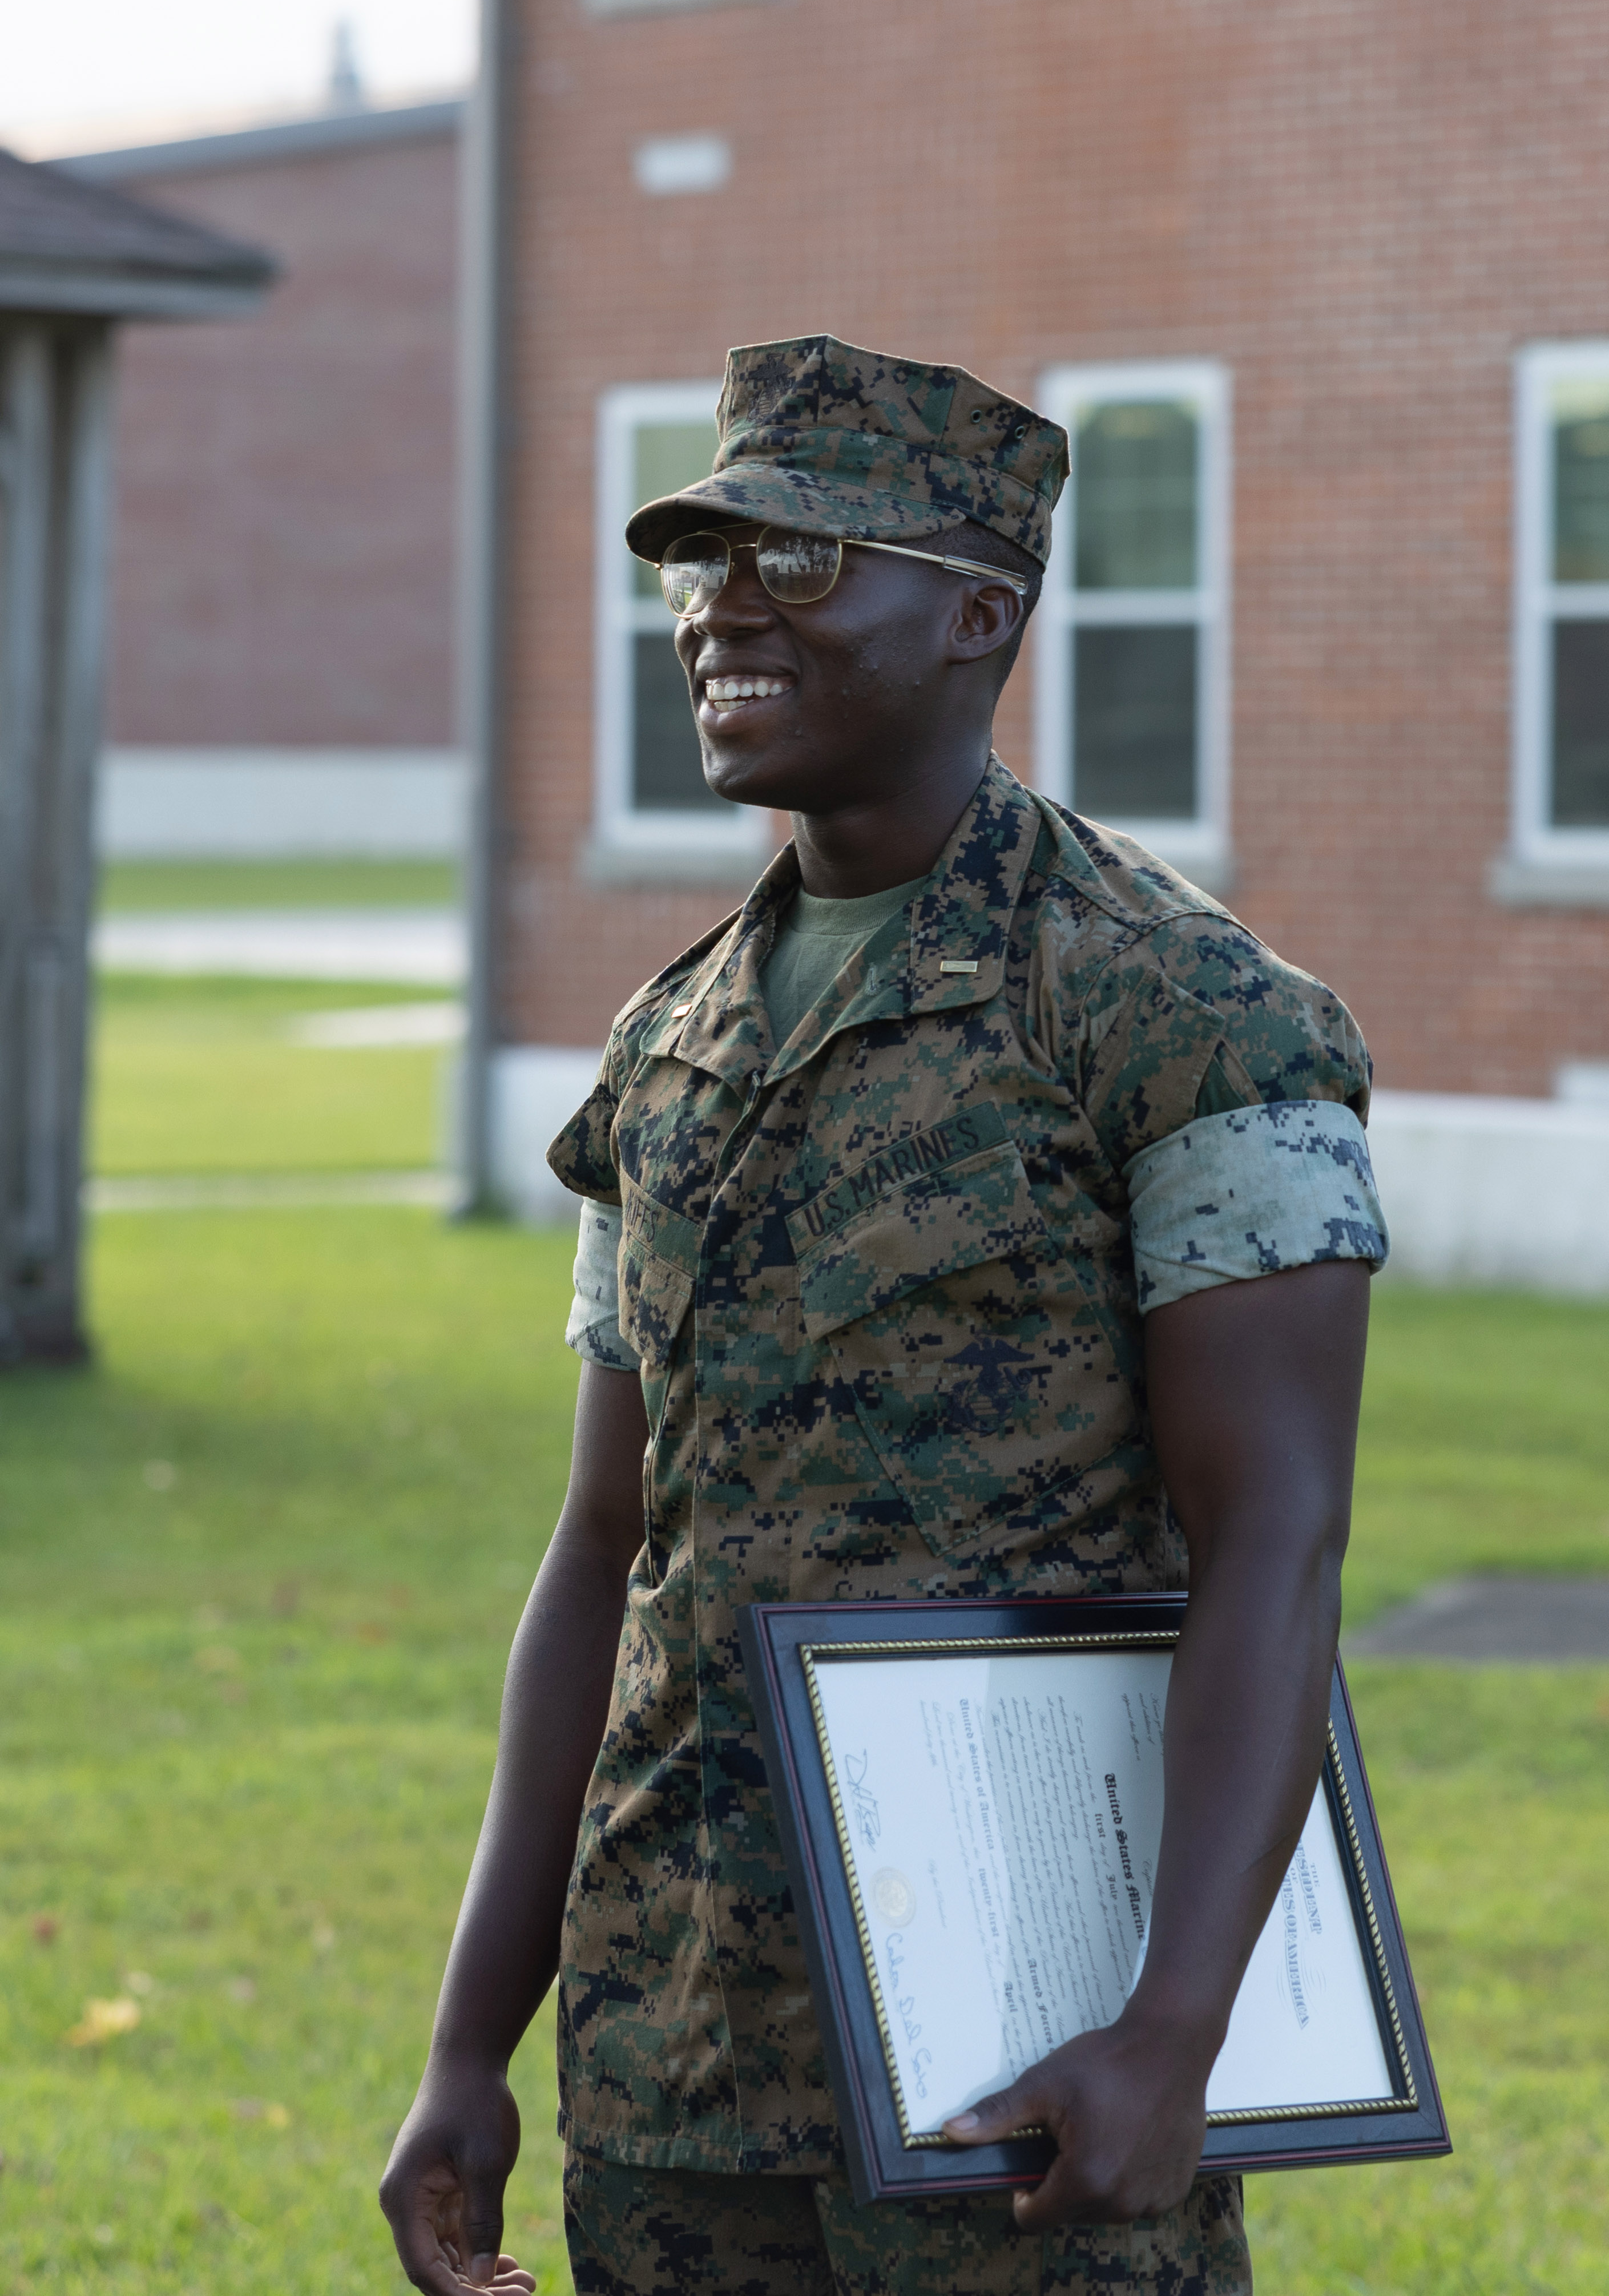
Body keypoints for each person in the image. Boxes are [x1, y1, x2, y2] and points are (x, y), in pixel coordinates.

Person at [380, 334, 1388, 2296]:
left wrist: (1171, 2031)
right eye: (701, 565)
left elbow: (1276, 1536)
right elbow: (605, 1555)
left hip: (1017, 2059)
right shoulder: (663, 1052)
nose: (723, 615)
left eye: (805, 563)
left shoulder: (1182, 1015)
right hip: (676, 2053)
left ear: (979, 615)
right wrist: (466, 2044)